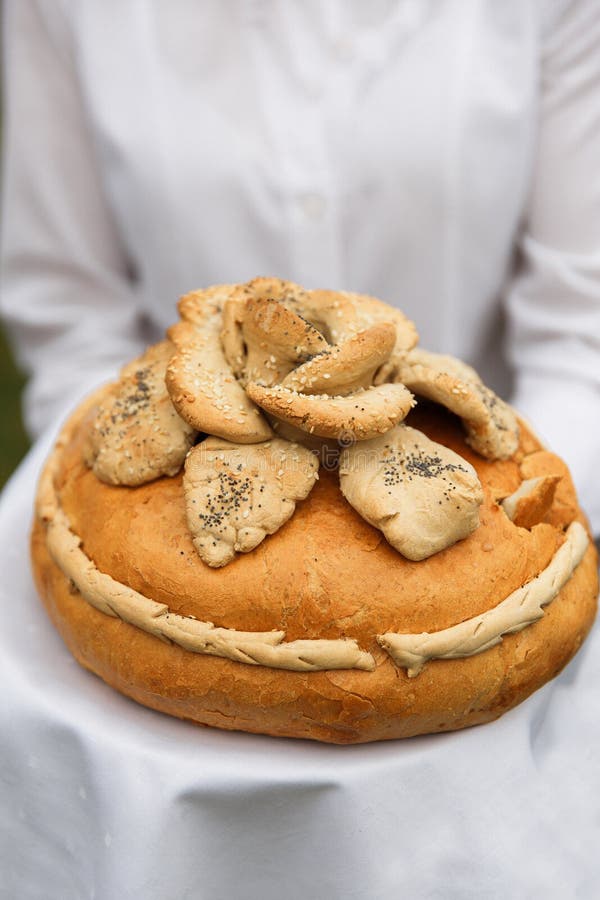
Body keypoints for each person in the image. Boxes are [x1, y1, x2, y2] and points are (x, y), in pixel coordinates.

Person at [1, 3, 599, 898]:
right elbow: (69, 313)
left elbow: (581, 325)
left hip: (464, 500)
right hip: (134, 652)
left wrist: (522, 542)